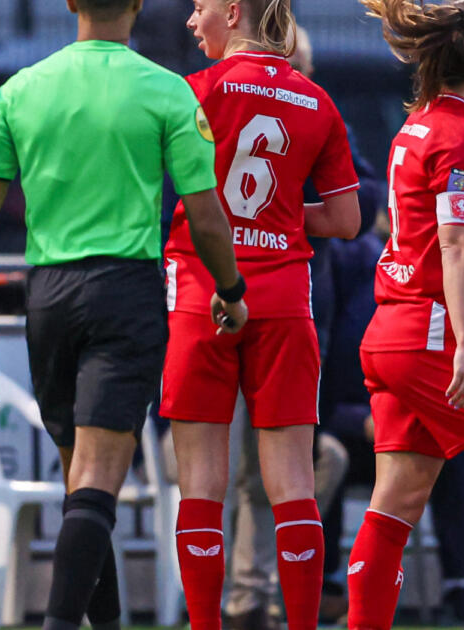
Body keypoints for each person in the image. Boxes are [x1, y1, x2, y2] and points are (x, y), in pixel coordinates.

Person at [0, 0, 248, 627]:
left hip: (47, 296)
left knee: (81, 481)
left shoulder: (19, 90)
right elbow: (207, 212)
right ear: (137, 5)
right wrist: (232, 288)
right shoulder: (166, 90)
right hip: (124, 291)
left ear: (71, 4)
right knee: (98, 481)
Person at [160, 0, 362, 629]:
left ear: (234, 11)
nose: (192, 22)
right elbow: (347, 221)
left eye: (199, 8)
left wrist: (229, 223)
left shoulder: (194, 92)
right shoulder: (318, 101)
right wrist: (274, 219)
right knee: (294, 484)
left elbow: (160, 194)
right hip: (285, 300)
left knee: (201, 484)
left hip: (202, 294)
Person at [347, 1, 464, 627]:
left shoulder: (418, 125)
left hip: (390, 327)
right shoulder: (457, 133)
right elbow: (454, 240)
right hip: (432, 331)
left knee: (396, 503)